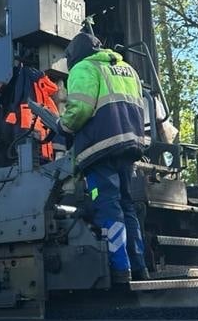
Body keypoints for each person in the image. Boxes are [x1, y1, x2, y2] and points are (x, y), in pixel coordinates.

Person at [57, 32, 149, 283]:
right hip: (129, 145)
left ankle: (120, 270)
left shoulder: (84, 68)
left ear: (73, 56)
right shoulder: (127, 68)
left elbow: (80, 109)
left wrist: (62, 127)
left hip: (100, 150)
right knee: (128, 206)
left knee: (108, 205)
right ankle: (140, 266)